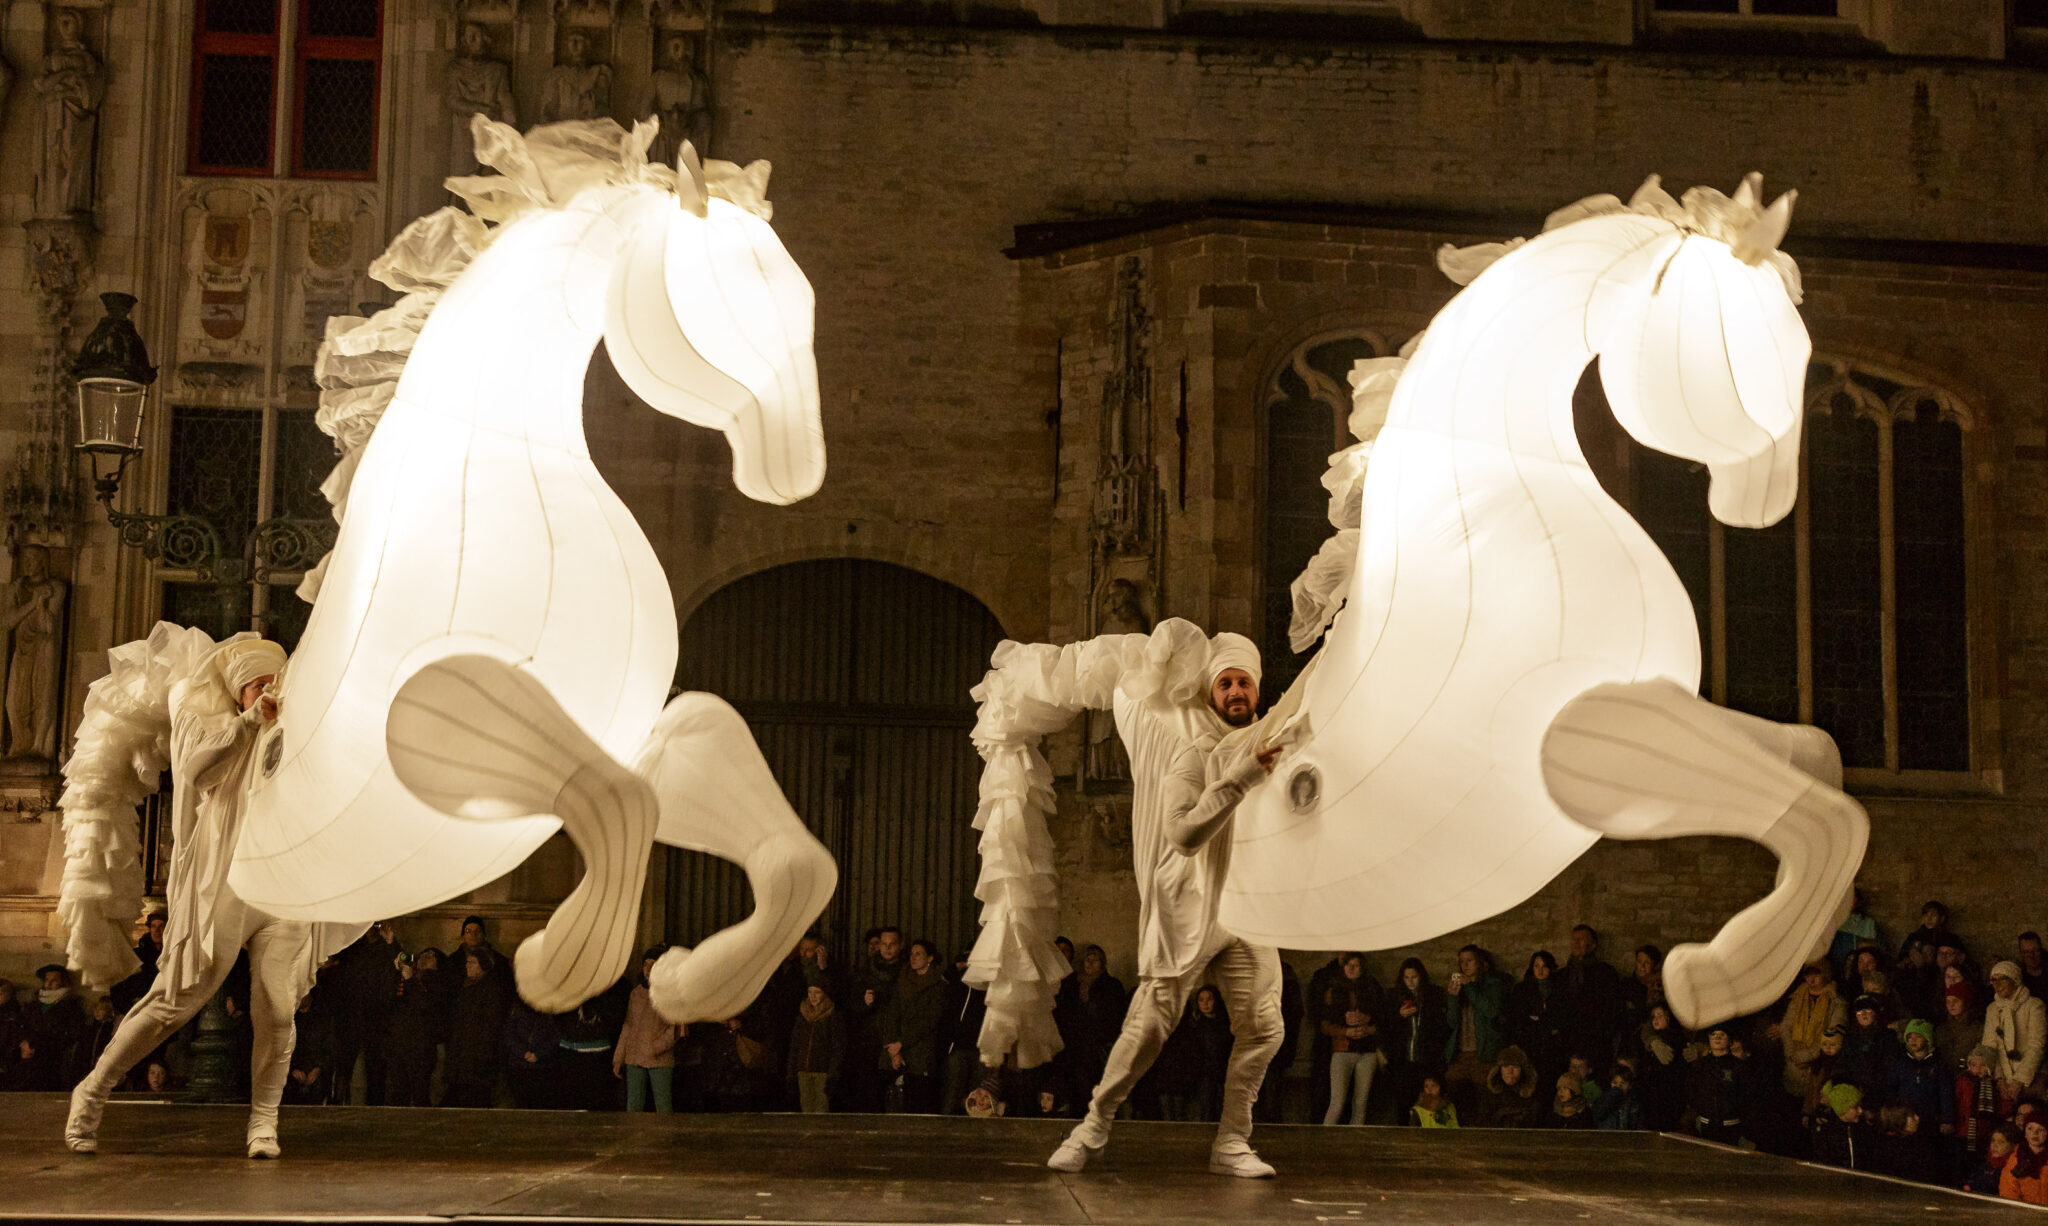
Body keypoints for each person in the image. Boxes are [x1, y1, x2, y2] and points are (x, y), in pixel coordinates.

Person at [66, 638, 344, 1159]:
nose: (270, 692)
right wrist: (247, 725)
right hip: (228, 884)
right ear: (241, 693)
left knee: (278, 1007)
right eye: (259, 685)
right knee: (176, 1001)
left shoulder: (300, 733)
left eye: (274, 683)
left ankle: (263, 1121)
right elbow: (195, 771)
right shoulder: (219, 727)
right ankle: (93, 1090)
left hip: (284, 887)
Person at [1046, 633, 1286, 1179]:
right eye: (1224, 682)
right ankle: (1092, 1128)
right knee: (1151, 1023)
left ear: (1256, 690)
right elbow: (1181, 833)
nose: (1234, 691)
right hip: (1190, 903)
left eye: (1242, 682)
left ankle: (1232, 1142)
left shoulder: (1275, 745)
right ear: (1211, 693)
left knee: (1265, 1025)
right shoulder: (1198, 752)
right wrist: (1242, 779)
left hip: (1246, 905)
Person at [1441, 944, 1510, 1120]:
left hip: (1484, 1053)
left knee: (1485, 1101)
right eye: (1462, 962)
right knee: (1453, 1097)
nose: (1465, 965)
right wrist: (1452, 998)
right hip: (1461, 1053)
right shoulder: (1460, 988)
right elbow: (1451, 1022)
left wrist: (1470, 987)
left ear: (1479, 962)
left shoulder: (1492, 984)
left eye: (1469, 961)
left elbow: (1490, 1010)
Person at [880, 939, 948, 1113]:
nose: (913, 957)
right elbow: (892, 1015)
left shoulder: (938, 986)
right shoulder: (902, 981)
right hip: (897, 1052)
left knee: (920, 1103)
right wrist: (894, 1050)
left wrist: (901, 1043)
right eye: (912, 953)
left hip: (920, 1055)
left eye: (919, 953)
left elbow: (928, 1022)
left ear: (930, 958)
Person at [1318, 952, 1384, 1125]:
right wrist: (1345, 1030)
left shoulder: (1372, 989)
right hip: (1343, 1049)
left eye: (1356, 965)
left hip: (1366, 1051)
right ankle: (1323, 1143)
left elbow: (1383, 1020)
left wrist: (1368, 1024)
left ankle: (1355, 1143)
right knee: (1337, 1103)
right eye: (1348, 965)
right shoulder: (1333, 989)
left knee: (1360, 1103)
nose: (1351, 969)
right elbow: (1325, 1024)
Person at [444, 945, 511, 1107]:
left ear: (483, 966)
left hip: (478, 1057)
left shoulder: (491, 991)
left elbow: (491, 1025)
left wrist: (483, 1052)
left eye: (473, 963)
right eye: (467, 962)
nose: (468, 966)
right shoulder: (466, 987)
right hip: (464, 1054)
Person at [616, 948, 682, 1113]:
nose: (648, 969)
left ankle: (664, 1137)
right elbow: (628, 1025)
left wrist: (656, 1047)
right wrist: (619, 1057)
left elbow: (677, 1027)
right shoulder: (636, 993)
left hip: (659, 1058)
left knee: (663, 1105)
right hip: (634, 1056)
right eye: (645, 964)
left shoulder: (670, 994)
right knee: (633, 1105)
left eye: (653, 964)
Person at [1773, 959, 1846, 1099]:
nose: (1811, 979)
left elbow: (1834, 1033)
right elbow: (1786, 1025)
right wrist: (1790, 1050)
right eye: (1808, 975)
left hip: (1818, 1066)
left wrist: (1809, 1055)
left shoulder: (1836, 1002)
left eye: (1816, 975)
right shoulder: (1797, 997)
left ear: (1825, 975)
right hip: (1793, 1064)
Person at [384, 947, 446, 1106]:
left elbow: (425, 1005)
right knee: (397, 1092)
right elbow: (388, 1000)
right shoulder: (407, 976)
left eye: (432, 956)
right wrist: (396, 972)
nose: (426, 956)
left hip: (421, 1047)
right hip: (399, 1043)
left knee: (420, 1093)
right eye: (424, 953)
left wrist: (410, 980)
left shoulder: (437, 981)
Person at [1387, 957, 1449, 1116]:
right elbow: (1387, 1026)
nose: (1410, 982)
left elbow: (1440, 1027)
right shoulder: (1395, 997)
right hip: (1404, 1060)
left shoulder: (1433, 996)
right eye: (1406, 978)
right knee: (1403, 1103)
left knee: (1428, 1105)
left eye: (1414, 977)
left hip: (1427, 1060)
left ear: (1421, 976)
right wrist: (1399, 1015)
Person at [1984, 960, 2046, 1113]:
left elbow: (2037, 1046)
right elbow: (1990, 1047)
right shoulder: (1993, 1009)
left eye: (2003, 978)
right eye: (1993, 979)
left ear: (2015, 979)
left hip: (2030, 1077)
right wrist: (1999, 1080)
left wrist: (2019, 1080)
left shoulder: (2034, 1006)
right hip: (2003, 1081)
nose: (1997, 984)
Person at [1556, 925, 1623, 1057]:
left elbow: (1612, 1006)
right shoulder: (1562, 975)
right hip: (1568, 1041)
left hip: (1596, 1042)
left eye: (1581, 939)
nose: (1576, 943)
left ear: (1592, 945)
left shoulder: (1606, 973)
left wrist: (1603, 1033)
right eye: (1574, 939)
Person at [1882, 1019, 1955, 1140]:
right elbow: (1891, 1088)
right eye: (1910, 1037)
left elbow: (1945, 1093)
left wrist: (1947, 1119)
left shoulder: (1938, 1064)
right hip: (1906, 1120)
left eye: (1918, 1037)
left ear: (1927, 1039)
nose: (1913, 1040)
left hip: (1930, 1120)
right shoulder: (1901, 1063)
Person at [21, 964, 87, 1090]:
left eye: (54, 980)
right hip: (32, 1054)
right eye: (47, 980)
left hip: (55, 1057)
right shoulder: (34, 1004)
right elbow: (25, 1025)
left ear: (62, 982)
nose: (49, 984)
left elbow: (75, 1032)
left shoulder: (71, 1005)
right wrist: (25, 1042)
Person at [1624, 1002, 1687, 1131]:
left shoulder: (1676, 1039)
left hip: (1668, 1099)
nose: (1656, 1019)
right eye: (1653, 1017)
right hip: (1649, 1098)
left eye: (1660, 1016)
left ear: (1668, 1018)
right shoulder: (1647, 1042)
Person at [1507, 950, 1565, 1089]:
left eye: (1544, 966)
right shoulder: (1522, 989)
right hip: (1530, 1043)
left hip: (1553, 1045)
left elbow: (1562, 1016)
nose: (1540, 970)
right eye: (1536, 966)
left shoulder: (1560, 990)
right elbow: (1517, 1016)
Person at [1685, 1024, 1746, 1145]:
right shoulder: (1700, 1065)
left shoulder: (1739, 1066)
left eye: (1722, 1035)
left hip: (1731, 1126)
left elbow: (1746, 1096)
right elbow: (1692, 1092)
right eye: (1713, 1034)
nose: (1717, 1038)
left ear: (1729, 1040)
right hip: (1705, 1126)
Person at [788, 983, 844, 1114]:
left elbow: (838, 1048)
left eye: (817, 992)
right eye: (810, 992)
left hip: (822, 1072)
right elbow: (795, 1046)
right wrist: (791, 1074)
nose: (813, 996)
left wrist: (833, 1074)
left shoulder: (833, 1017)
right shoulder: (802, 1016)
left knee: (821, 1110)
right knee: (806, 1110)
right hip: (803, 1071)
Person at [502, 1001, 561, 1110]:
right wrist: (523, 1053)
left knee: (538, 1102)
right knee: (520, 1101)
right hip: (519, 1065)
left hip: (540, 1066)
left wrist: (539, 1054)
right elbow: (509, 1036)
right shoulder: (517, 1013)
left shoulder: (548, 1015)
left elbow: (555, 1038)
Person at [110, 910, 167, 1015]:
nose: (157, 930)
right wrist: (129, 1009)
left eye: (161, 926)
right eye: (153, 926)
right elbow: (117, 984)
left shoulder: (171, 956)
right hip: (139, 1008)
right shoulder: (137, 955)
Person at [1475, 1044, 1539, 1127]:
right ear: (1499, 1070)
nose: (1510, 1071)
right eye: (1505, 1066)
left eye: (1515, 1066)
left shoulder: (1532, 1095)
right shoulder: (1489, 1095)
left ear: (1523, 1070)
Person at [2002, 1117, 2048, 1205]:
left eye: (2041, 1129)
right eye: (2030, 1128)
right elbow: (2009, 1192)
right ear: (2025, 1133)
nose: (2035, 1133)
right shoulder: (2016, 1159)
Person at [1963, 1124, 2018, 1196]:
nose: (1995, 1145)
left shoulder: (2011, 1168)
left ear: (2012, 1146)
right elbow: (1971, 1182)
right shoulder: (1986, 1164)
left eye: (2001, 1142)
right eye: (1993, 1141)